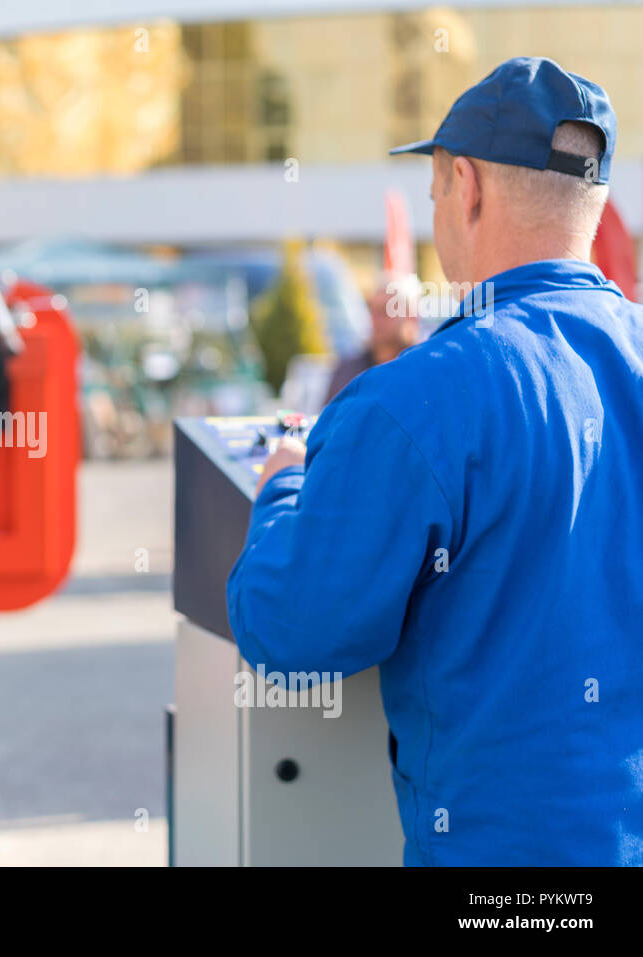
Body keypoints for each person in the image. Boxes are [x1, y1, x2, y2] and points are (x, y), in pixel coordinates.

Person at [227, 57, 643, 865]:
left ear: (468, 185)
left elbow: (295, 628)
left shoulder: (414, 400)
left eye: (435, 197)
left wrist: (281, 484)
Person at [323, 275, 420, 406]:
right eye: (373, 310)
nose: (376, 319)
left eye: (386, 310)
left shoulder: (423, 371)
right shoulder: (348, 372)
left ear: (411, 316)